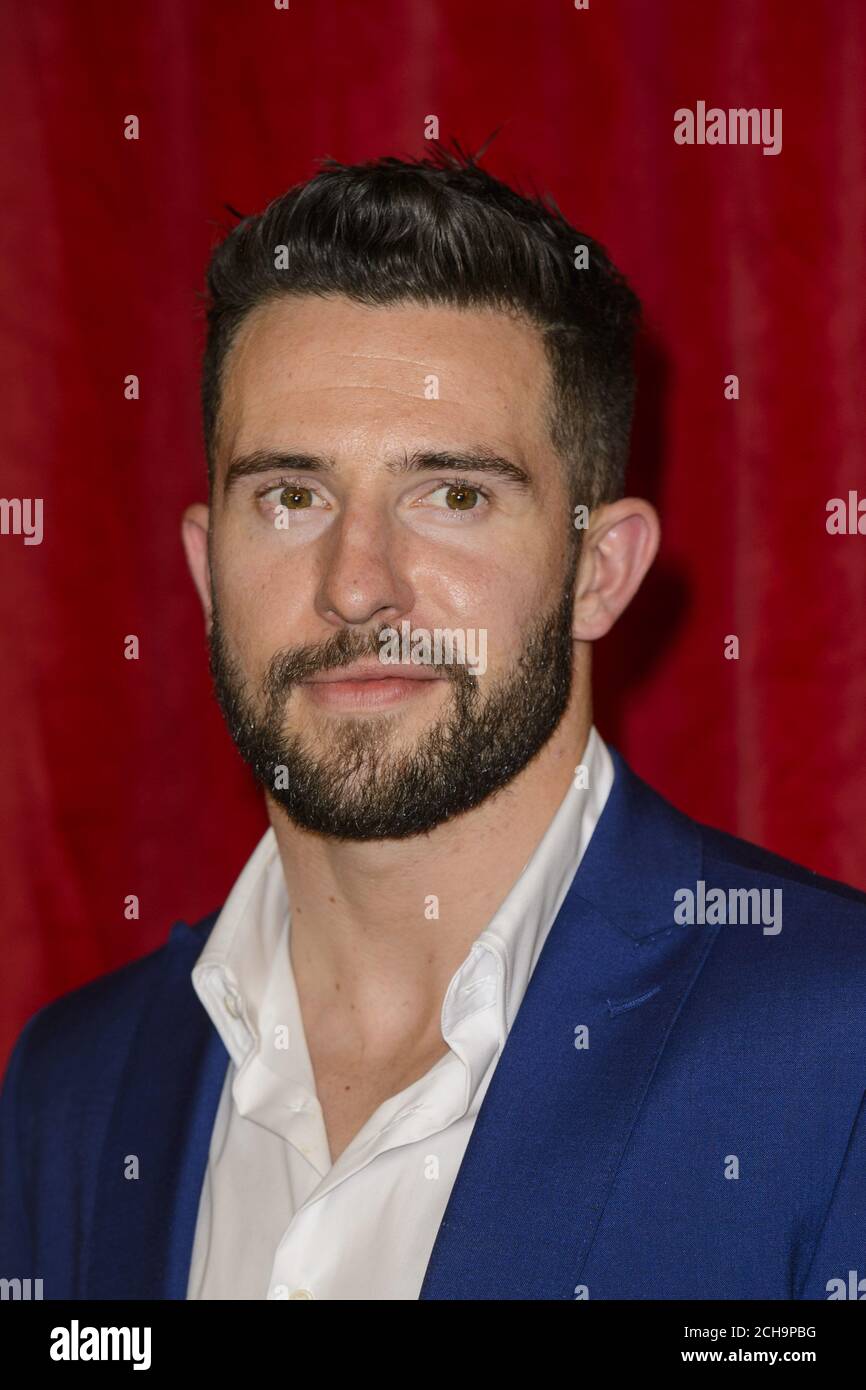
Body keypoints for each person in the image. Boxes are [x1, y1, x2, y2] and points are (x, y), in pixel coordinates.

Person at [3, 144, 866, 1302]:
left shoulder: (834, 1048)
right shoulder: (70, 1090)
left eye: (452, 495)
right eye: (291, 496)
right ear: (209, 572)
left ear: (599, 572)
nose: (357, 585)